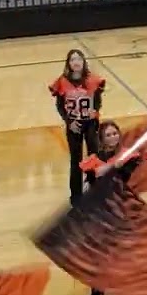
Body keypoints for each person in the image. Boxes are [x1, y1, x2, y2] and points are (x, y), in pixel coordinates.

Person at [76, 121, 141, 295]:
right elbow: (91, 180)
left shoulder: (128, 156)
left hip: (121, 206)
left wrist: (117, 167)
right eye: (109, 135)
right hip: (100, 209)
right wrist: (105, 169)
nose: (113, 137)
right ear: (102, 139)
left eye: (115, 133)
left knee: (127, 248)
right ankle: (96, 289)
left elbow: (123, 178)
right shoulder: (94, 159)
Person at [48, 49, 106, 206]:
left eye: (78, 59)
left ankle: (94, 190)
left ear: (83, 62)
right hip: (73, 125)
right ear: (68, 63)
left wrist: (95, 111)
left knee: (94, 157)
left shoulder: (93, 79)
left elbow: (97, 100)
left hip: (90, 123)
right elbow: (60, 105)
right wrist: (69, 122)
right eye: (72, 59)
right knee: (76, 160)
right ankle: (76, 196)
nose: (76, 62)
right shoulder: (62, 81)